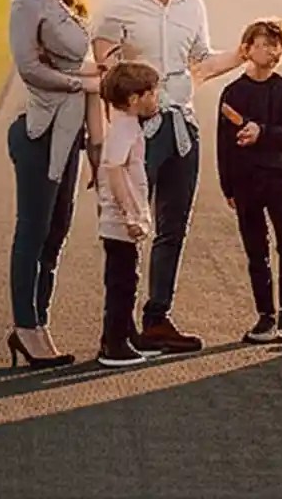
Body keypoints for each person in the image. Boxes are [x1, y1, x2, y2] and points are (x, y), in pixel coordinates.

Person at [89, 0, 246, 354]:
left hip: (182, 127)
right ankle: (118, 330)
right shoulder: (118, 1)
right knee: (128, 223)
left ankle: (157, 318)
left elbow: (202, 62)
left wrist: (242, 52)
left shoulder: (192, 5)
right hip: (138, 131)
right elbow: (105, 67)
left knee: (173, 227)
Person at [5, 0, 99, 368]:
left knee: (57, 233)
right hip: (39, 134)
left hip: (71, 137)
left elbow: (85, 70)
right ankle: (24, 326)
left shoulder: (68, 7)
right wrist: (81, 83)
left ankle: (40, 322)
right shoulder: (27, 2)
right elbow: (28, 67)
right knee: (33, 230)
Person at [216, 18, 282, 344]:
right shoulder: (233, 92)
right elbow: (224, 144)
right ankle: (265, 315)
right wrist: (227, 186)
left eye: (274, 44)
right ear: (247, 49)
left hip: (279, 179)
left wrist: (261, 132)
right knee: (257, 251)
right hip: (245, 181)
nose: (267, 50)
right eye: (260, 43)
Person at [94, 59, 164, 367]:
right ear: (134, 100)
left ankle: (126, 334)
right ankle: (114, 344)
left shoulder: (126, 123)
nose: (156, 99)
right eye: (152, 93)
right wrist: (132, 215)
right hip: (121, 221)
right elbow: (113, 167)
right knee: (122, 283)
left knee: (127, 279)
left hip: (123, 220)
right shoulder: (124, 128)